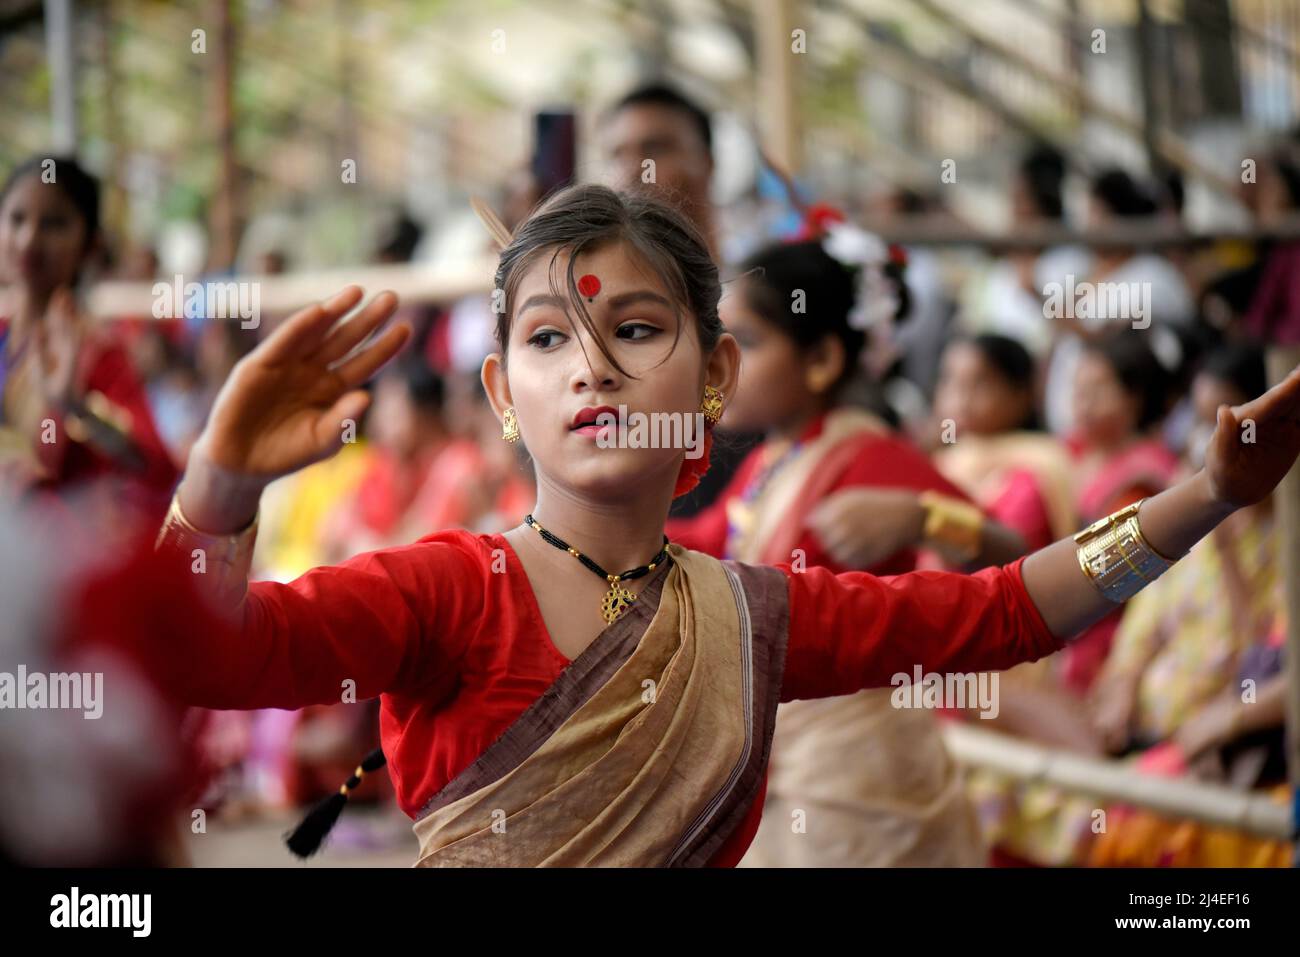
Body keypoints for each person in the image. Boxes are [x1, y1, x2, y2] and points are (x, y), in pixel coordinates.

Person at [143, 184, 1300, 867]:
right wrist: (220, 486)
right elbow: (200, 655)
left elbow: (1003, 614)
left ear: (714, 374)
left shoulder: (753, 617)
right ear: (502, 394)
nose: (591, 365)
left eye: (637, 329)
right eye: (548, 340)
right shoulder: (442, 592)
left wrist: (1208, 496)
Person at [666, 236, 1014, 866]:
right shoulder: (775, 460)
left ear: (823, 358)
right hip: (780, 752)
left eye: (749, 340)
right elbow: (712, 543)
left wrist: (923, 516)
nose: (721, 360)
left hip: (858, 766)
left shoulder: (869, 455)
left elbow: (1019, 553)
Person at [0, 156, 177, 513]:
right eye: (17, 219)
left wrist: (77, 408)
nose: (29, 238)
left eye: (53, 224)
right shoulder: (4, 334)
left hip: (51, 559)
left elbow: (157, 470)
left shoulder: (98, 353)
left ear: (90, 246)